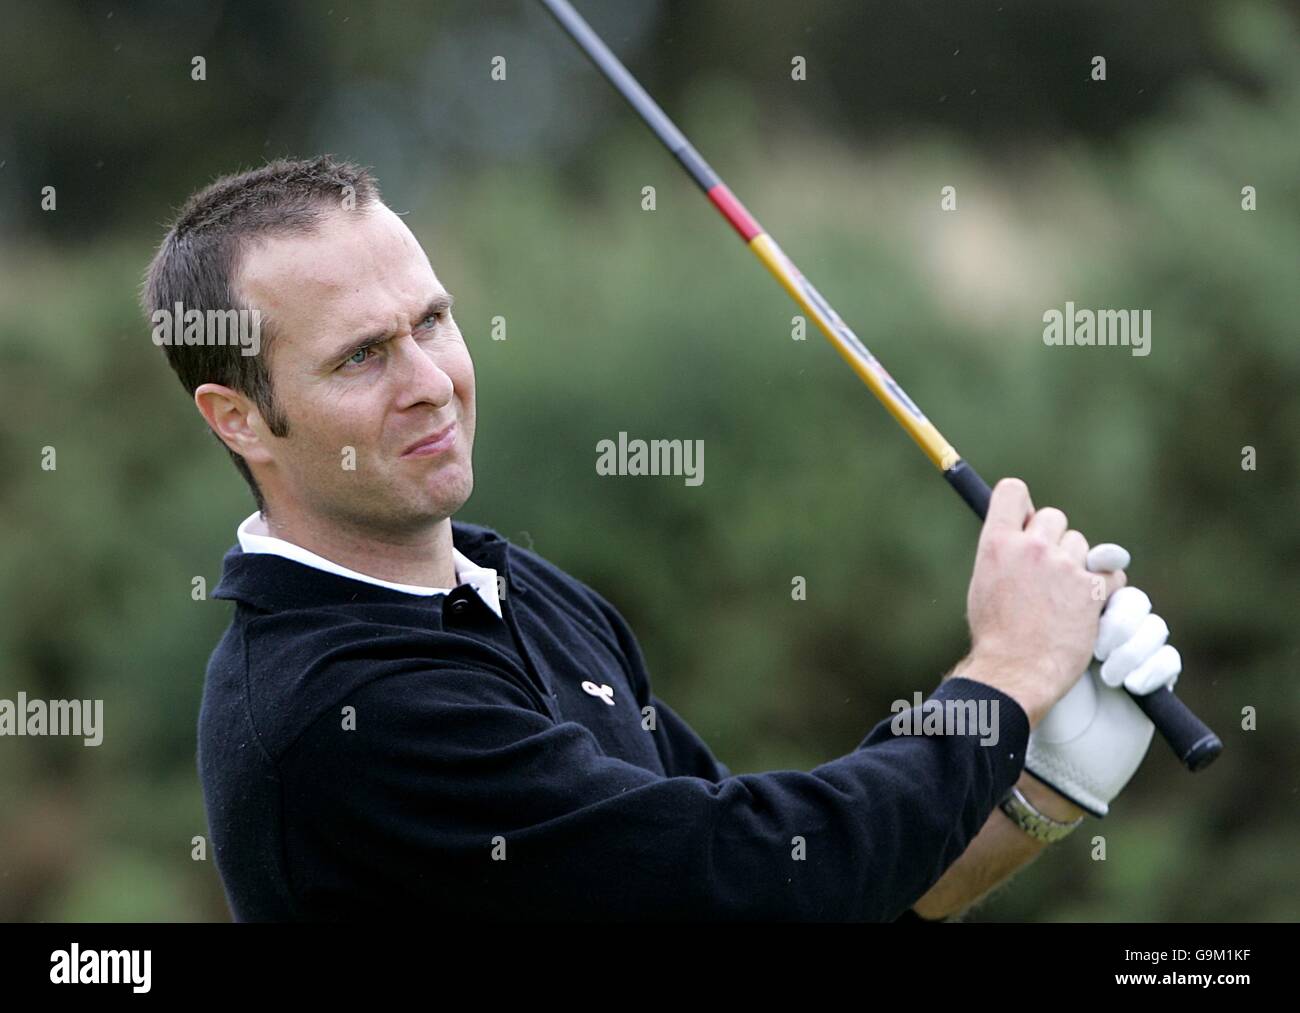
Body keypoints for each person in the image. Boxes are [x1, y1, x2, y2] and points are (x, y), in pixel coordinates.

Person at [142, 156, 1182, 922]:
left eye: (432, 321)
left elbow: (805, 893)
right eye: (362, 355)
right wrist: (1001, 678)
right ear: (237, 417)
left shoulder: (518, 586)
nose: (429, 381)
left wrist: (1043, 779)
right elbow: (745, 877)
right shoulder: (336, 708)